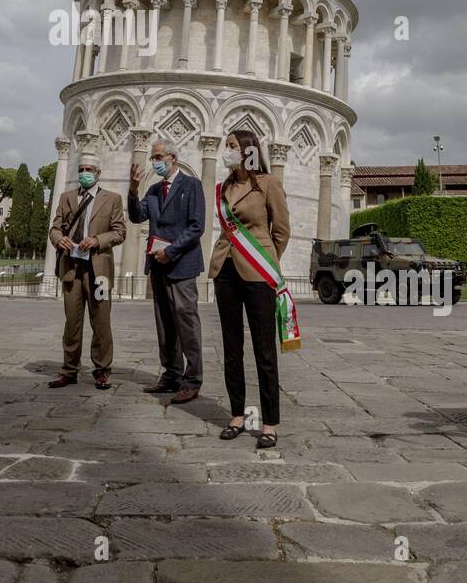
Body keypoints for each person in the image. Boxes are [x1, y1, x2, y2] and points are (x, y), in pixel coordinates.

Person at [209, 128, 290, 448]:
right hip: (225, 270)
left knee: (264, 350)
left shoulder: (268, 185)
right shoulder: (223, 188)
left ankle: (269, 422)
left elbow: (281, 231)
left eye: (231, 146)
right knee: (231, 347)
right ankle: (237, 415)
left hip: (258, 272)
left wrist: (267, 262)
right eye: (225, 146)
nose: (226, 151)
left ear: (248, 151)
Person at [128, 138, 205, 403]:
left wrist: (170, 251)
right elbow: (137, 216)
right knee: (165, 323)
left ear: (172, 157)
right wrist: (133, 188)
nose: (155, 162)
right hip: (158, 265)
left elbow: (197, 227)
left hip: (181, 264)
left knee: (187, 322)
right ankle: (171, 374)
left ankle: (192, 380)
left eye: (159, 157)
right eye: (153, 158)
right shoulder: (152, 190)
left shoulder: (192, 185)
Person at [48, 151, 126, 390]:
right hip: (72, 268)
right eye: (81, 169)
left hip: (99, 270)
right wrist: (59, 239)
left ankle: (102, 370)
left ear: (98, 174)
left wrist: (97, 240)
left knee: (101, 321)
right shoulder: (66, 197)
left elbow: (120, 232)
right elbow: (55, 228)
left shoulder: (112, 199)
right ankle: (69, 370)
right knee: (72, 322)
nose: (84, 173)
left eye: (88, 170)